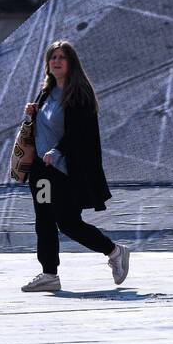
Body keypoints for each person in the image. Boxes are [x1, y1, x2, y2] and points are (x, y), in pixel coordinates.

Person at [20, 40, 130, 292]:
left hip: (66, 169)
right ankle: (49, 274)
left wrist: (58, 150)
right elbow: (46, 125)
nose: (56, 62)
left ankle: (114, 251)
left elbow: (81, 132)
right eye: (53, 58)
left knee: (68, 222)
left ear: (71, 63)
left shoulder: (79, 93)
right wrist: (33, 112)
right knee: (44, 219)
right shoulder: (46, 92)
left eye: (62, 57)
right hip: (42, 169)